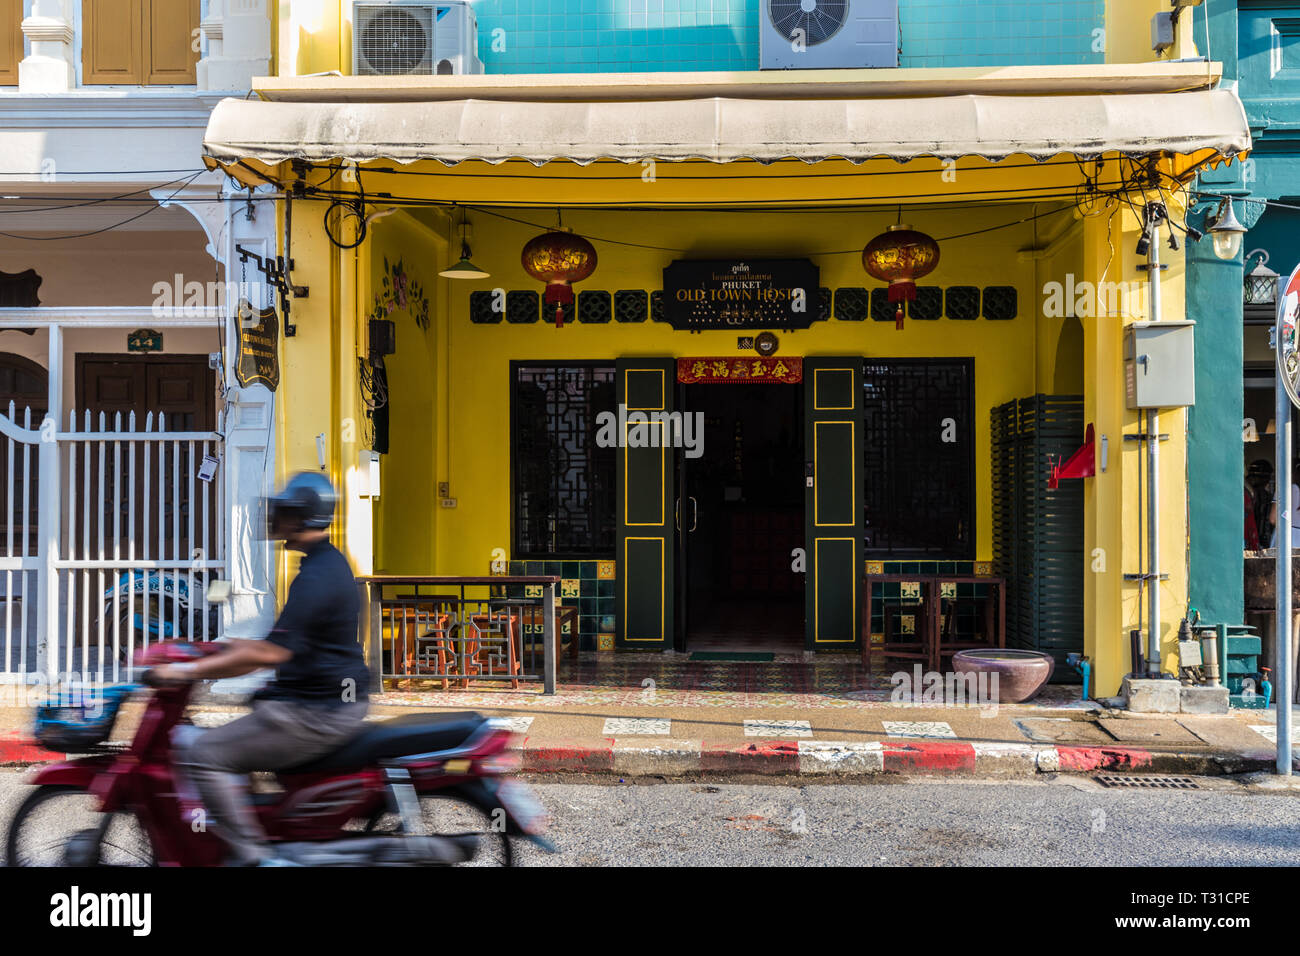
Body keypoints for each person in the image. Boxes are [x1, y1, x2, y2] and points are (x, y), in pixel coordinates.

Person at [156, 472, 370, 866]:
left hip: (317, 712)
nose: (278, 519)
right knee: (243, 724)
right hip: (318, 701)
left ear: (303, 517)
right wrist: (212, 648)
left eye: (286, 512)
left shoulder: (318, 577)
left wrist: (184, 673)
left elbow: (270, 654)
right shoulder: (322, 565)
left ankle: (254, 857)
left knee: (204, 754)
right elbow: (278, 641)